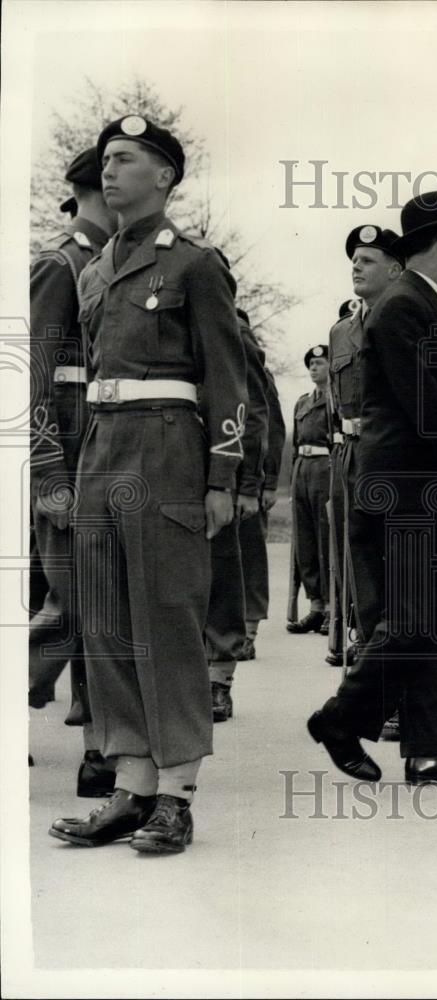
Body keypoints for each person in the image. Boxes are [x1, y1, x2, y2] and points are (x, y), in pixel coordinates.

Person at [49, 115, 247, 853]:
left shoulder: (195, 265)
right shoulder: (94, 269)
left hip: (167, 452)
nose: (109, 170)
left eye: (125, 159)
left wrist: (222, 476)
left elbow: (228, 381)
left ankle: (176, 794)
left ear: (163, 176)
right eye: (106, 159)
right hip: (102, 450)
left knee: (166, 620)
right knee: (106, 623)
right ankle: (131, 787)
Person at [307, 191, 437, 786]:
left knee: (432, 624)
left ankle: (429, 751)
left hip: (428, 490)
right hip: (408, 493)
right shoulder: (403, 305)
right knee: (415, 620)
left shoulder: (420, 303)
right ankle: (339, 719)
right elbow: (425, 397)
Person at [29, 147, 117, 796]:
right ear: (100, 192)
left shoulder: (113, 263)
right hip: (69, 463)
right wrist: (49, 476)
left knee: (99, 608)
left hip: (107, 460)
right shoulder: (60, 265)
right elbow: (29, 383)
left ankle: (100, 753)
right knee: (71, 610)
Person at [326, 226, 404, 676]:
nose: (356, 266)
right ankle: (370, 653)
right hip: (352, 455)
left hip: (396, 457)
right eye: (354, 260)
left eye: (368, 260)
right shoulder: (341, 333)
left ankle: (395, 666)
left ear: (395, 270)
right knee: (359, 563)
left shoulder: (410, 322)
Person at [207, 308, 269, 722]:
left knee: (224, 578)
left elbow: (256, 413)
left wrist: (248, 485)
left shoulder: (235, 333)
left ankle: (219, 679)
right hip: (176, 461)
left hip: (223, 473)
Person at [238, 360, 286, 659]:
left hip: (249, 474)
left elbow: (273, 429)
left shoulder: (254, 369)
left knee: (250, 554)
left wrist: (269, 483)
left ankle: (248, 629)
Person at [286, 345, 331, 635]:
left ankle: (332, 606)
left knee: (326, 537)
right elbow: (295, 445)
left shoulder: (336, 401)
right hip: (302, 469)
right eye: (311, 364)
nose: (313, 368)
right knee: (305, 540)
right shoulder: (302, 402)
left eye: (319, 363)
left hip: (326, 468)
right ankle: (315, 605)